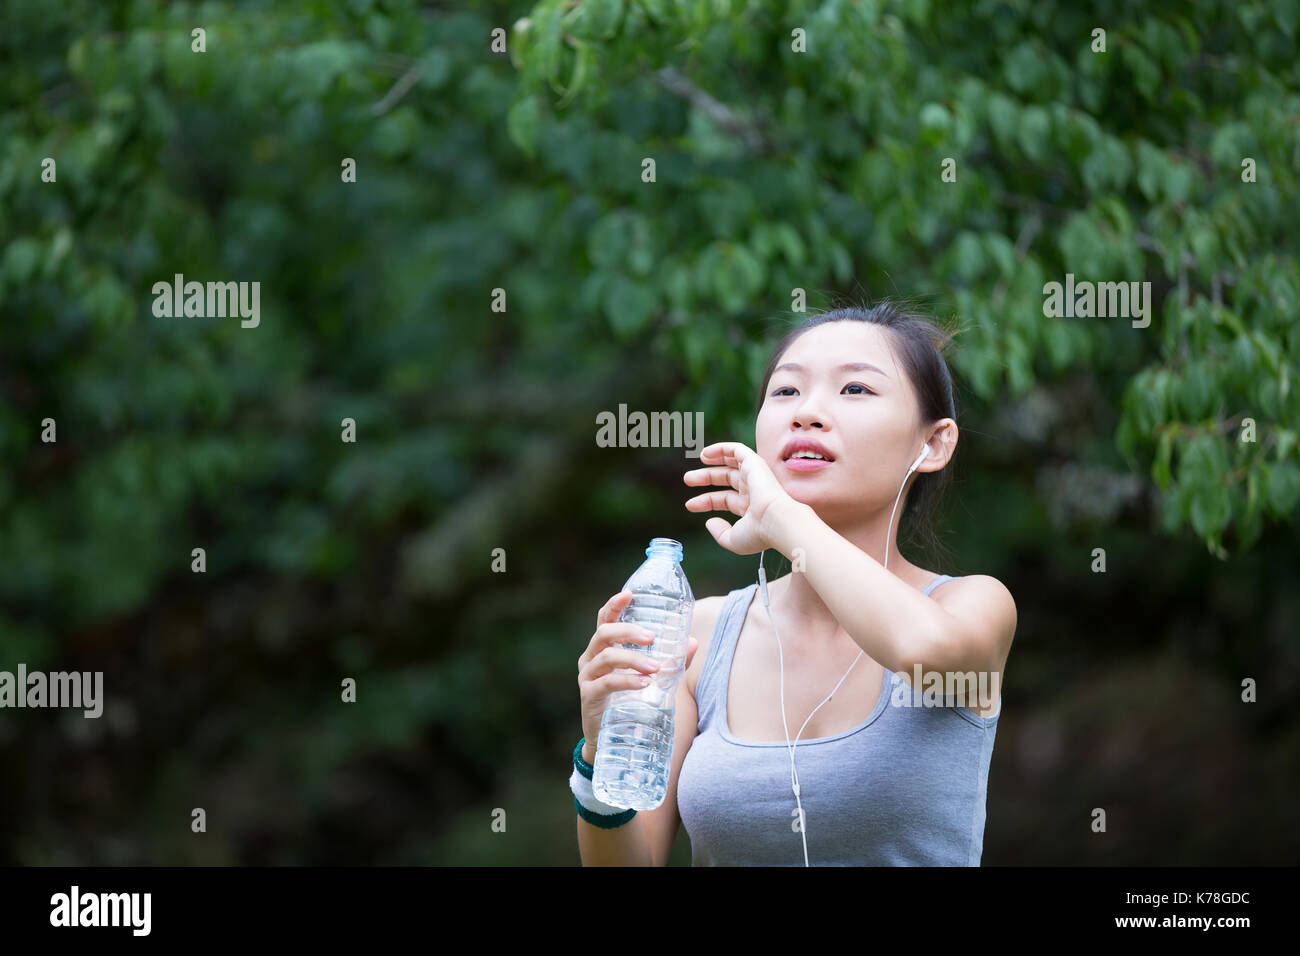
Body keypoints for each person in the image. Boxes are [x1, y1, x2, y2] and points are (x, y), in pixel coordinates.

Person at [574, 301, 1017, 865]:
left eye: (855, 389)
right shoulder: (699, 635)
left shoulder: (970, 604)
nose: (807, 412)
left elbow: (921, 651)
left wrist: (784, 520)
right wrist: (598, 757)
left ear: (931, 444)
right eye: (786, 392)